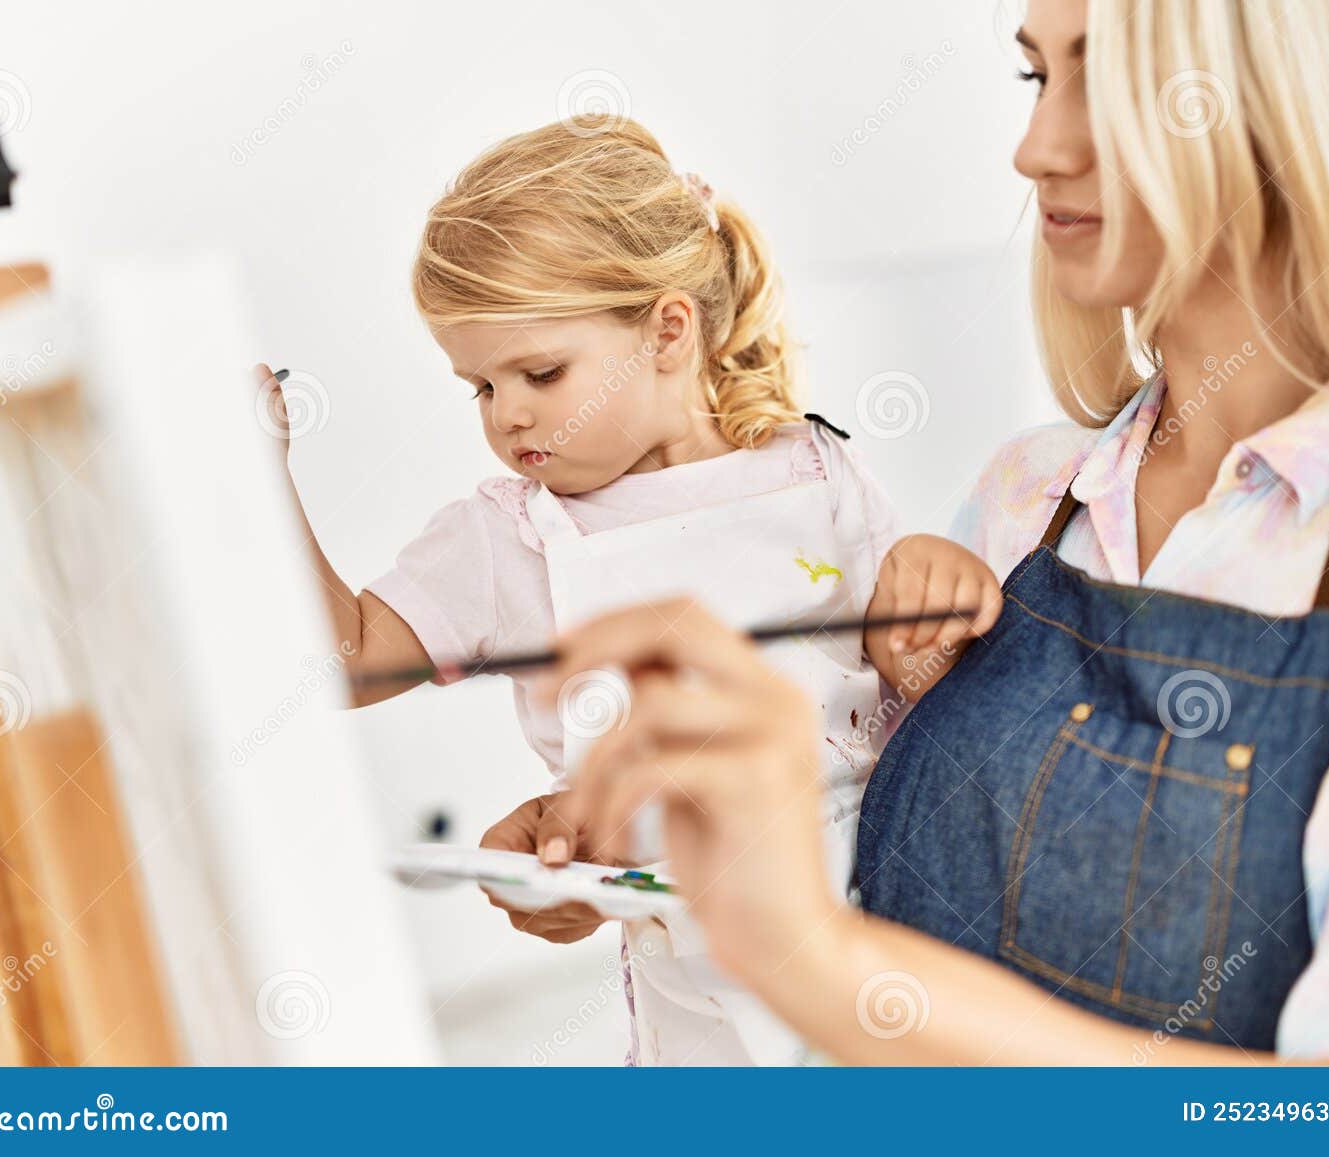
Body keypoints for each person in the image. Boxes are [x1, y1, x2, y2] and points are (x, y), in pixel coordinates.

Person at [499, 0, 1329, 1064]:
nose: (1036, 148)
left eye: (1113, 85)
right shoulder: (1027, 497)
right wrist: (647, 841)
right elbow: (864, 866)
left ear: (1308, 107)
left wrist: (815, 962)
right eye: (1037, 79)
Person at [254, 116, 944, 1063]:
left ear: (668, 329)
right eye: (480, 388)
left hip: (890, 936)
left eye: (540, 372)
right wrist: (260, 472)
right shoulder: (511, 534)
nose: (510, 415)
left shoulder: (818, 469)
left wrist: (947, 603)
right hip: (695, 998)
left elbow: (915, 679)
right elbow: (346, 661)